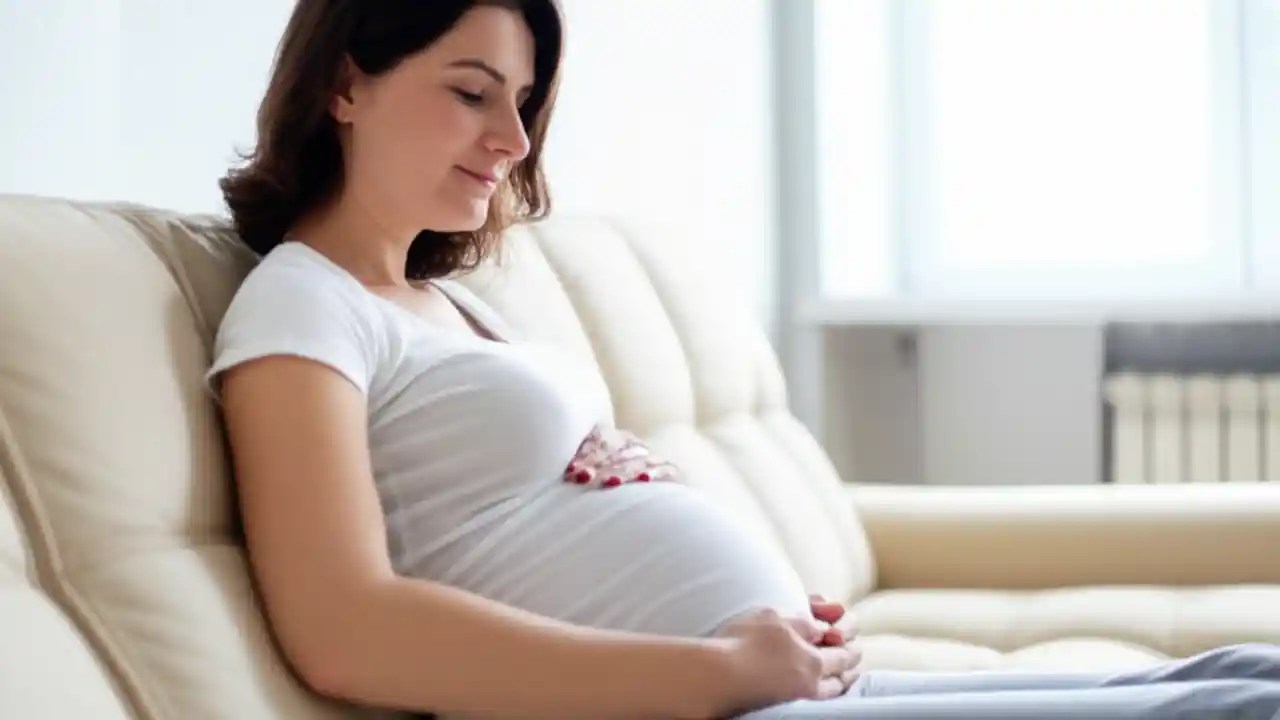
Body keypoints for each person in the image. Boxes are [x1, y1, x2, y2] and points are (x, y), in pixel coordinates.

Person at [206, 1, 1280, 718]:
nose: (516, 138)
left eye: (523, 102)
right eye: (472, 89)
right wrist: (717, 666)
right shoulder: (303, 304)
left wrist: (765, 630)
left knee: (1237, 673)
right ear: (345, 85)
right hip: (714, 705)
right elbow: (343, 628)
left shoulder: (444, 302)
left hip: (778, 691)